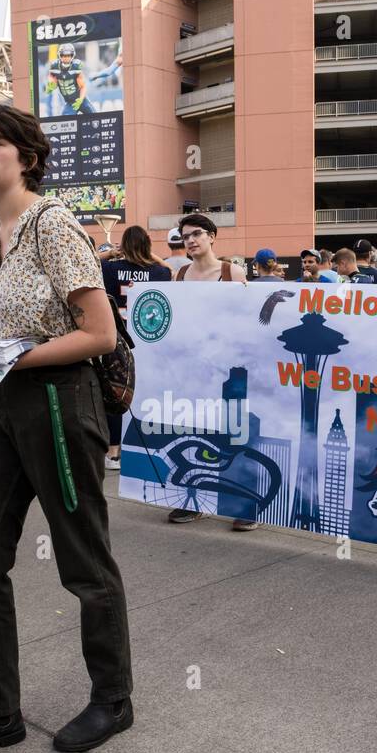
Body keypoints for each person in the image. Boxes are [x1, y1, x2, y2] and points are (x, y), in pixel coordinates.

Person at [0, 103, 132, 753]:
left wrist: (7, 354)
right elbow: (6, 329)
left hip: (57, 401)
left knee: (83, 561)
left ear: (27, 156)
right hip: (4, 403)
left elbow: (98, 333)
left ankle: (113, 699)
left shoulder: (53, 224)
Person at [166, 213, 255, 530]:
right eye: (185, 235)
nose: (190, 240)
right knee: (195, 432)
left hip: (232, 369)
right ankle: (194, 500)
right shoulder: (179, 276)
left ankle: (246, 504)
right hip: (194, 369)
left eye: (197, 234)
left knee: (235, 434)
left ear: (213, 237)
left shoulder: (233, 272)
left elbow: (250, 320)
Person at [101, 224, 171, 468]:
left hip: (119, 337)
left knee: (116, 389)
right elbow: (168, 268)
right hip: (148, 335)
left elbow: (90, 263)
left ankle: (113, 451)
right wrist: (148, 254)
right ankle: (142, 444)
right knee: (146, 389)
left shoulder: (110, 268)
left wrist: (111, 253)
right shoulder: (158, 272)